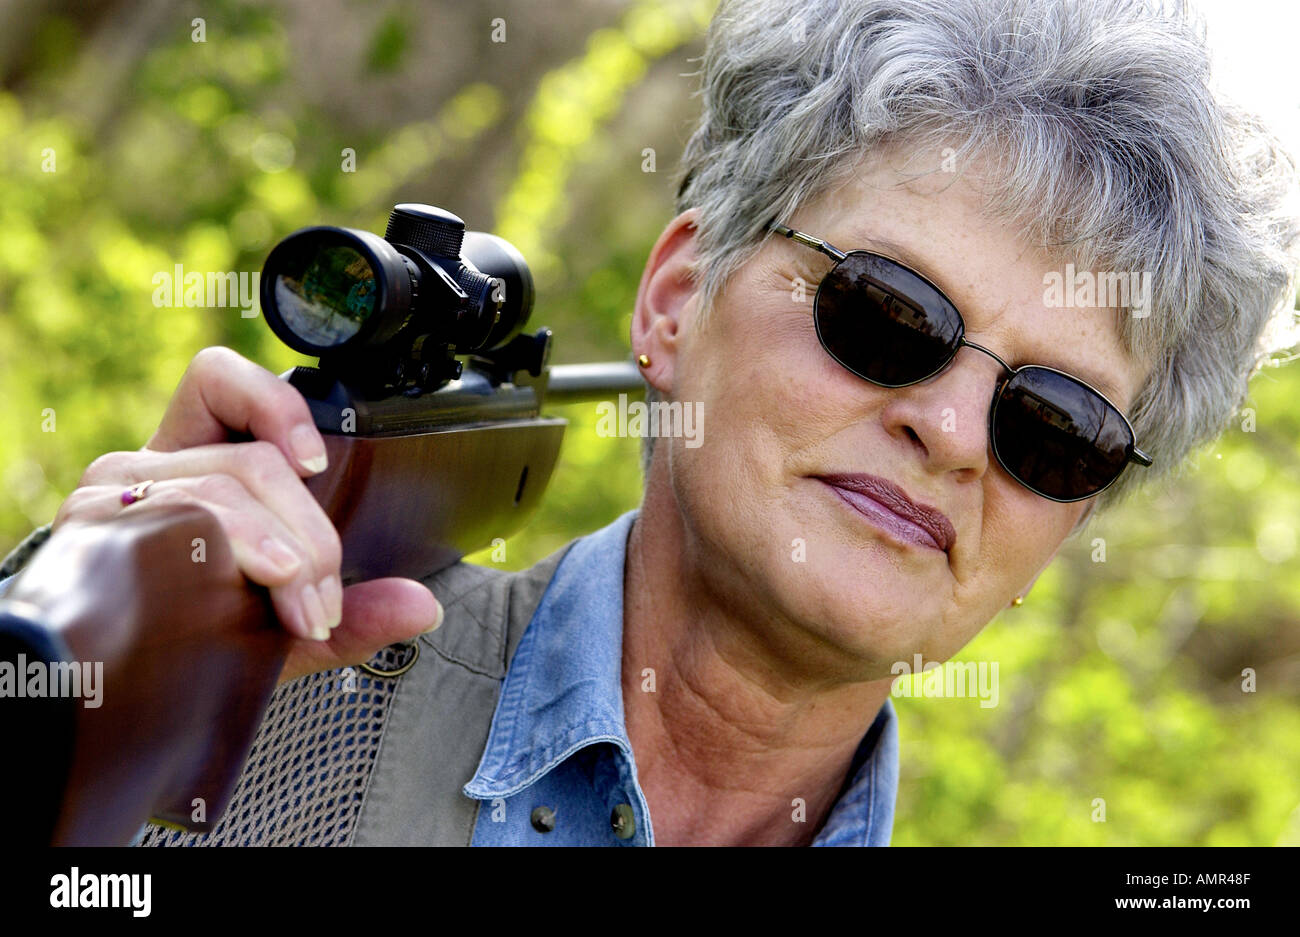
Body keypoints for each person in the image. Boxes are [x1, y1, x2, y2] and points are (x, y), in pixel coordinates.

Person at [3, 0, 1298, 846]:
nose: (955, 432)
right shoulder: (235, 704)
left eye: (1054, 429)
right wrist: (63, 687)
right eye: (889, 314)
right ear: (676, 301)